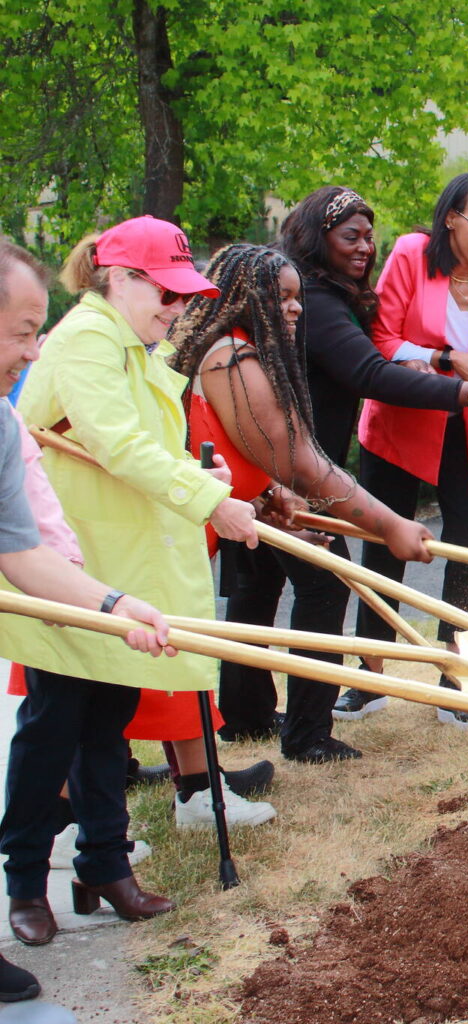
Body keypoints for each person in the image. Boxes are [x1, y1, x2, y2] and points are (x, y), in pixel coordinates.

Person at [1, 222, 256, 961]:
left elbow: (148, 446)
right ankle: (24, 882)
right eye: (166, 292)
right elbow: (117, 443)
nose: (177, 308)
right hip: (66, 568)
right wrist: (209, 502)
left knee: (108, 722)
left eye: (184, 295)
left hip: (121, 566)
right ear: (119, 279)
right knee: (54, 729)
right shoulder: (85, 338)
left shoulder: (137, 348)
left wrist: (197, 478)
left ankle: (104, 868)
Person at [217, 187, 468, 730]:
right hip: (308, 461)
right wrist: (461, 383)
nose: (363, 249)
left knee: (260, 582)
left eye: (366, 238)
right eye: (349, 237)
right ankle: (320, 718)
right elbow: (371, 367)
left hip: (310, 461)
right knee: (320, 579)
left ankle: (250, 715)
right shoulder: (322, 293)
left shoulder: (329, 293)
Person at [165, 242, 436, 761]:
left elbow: (251, 454)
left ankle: (200, 762)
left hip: (213, 512)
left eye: (296, 299)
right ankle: (305, 736)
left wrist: (276, 502)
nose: (295, 308)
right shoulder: (233, 357)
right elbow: (299, 458)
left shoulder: (231, 348)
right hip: (178, 524)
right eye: (282, 298)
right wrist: (389, 524)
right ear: (247, 298)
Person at [355, 173, 468, 727]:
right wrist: (441, 358)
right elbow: (381, 340)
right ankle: (370, 677)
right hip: (400, 418)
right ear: (450, 218)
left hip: (467, 426)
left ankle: (455, 678)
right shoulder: (411, 255)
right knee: (383, 542)